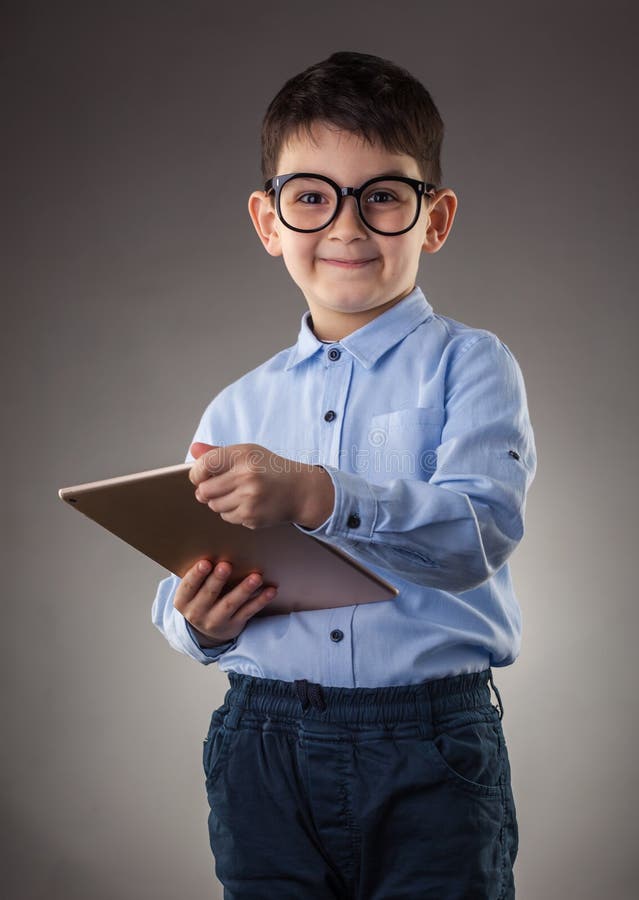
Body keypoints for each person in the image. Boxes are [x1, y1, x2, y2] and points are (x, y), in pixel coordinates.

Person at [152, 50, 536, 900]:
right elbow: (173, 585)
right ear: (268, 221)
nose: (347, 227)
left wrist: (316, 492)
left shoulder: (470, 366)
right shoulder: (235, 408)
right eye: (312, 196)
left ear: (433, 221)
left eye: (384, 196)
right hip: (260, 744)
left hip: (432, 744)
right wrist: (198, 621)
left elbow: (482, 532)